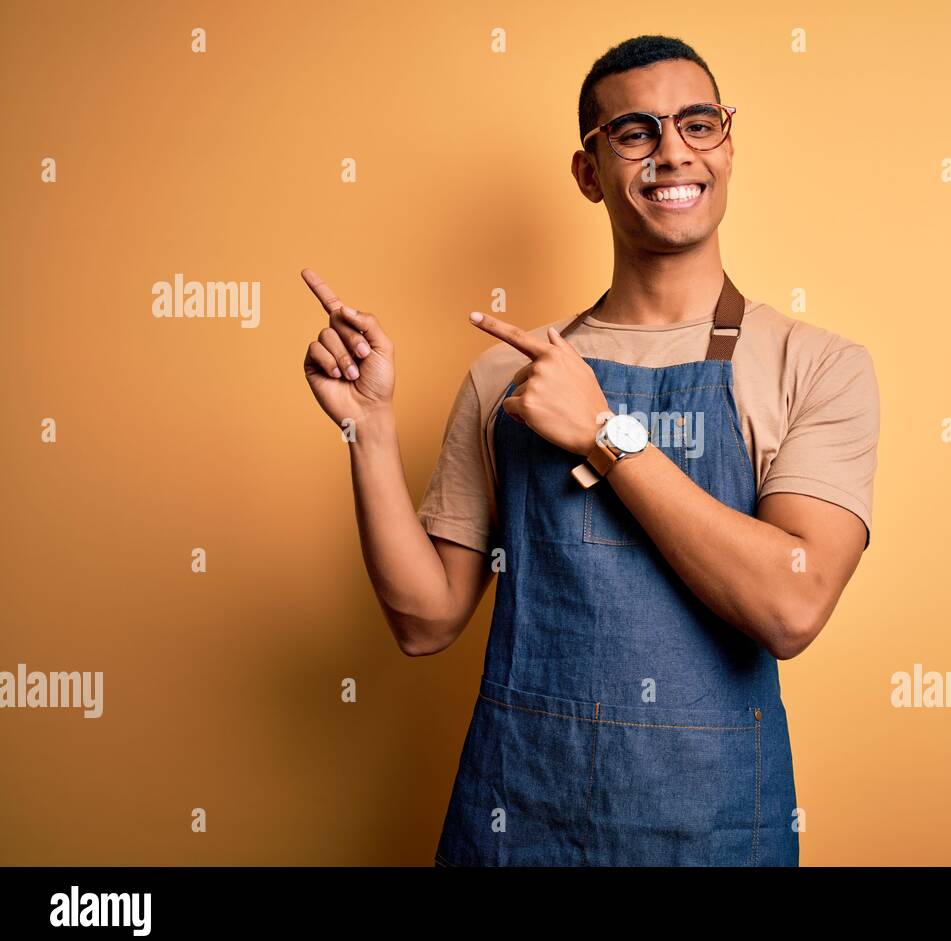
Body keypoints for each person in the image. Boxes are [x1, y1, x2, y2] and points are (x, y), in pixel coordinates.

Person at [299, 34, 880, 866]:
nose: (672, 152)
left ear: (726, 144)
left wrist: (605, 434)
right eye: (636, 132)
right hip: (519, 820)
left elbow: (791, 608)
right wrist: (370, 426)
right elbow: (425, 622)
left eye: (698, 123)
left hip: (712, 834)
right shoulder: (508, 376)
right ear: (588, 171)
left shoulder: (815, 366)